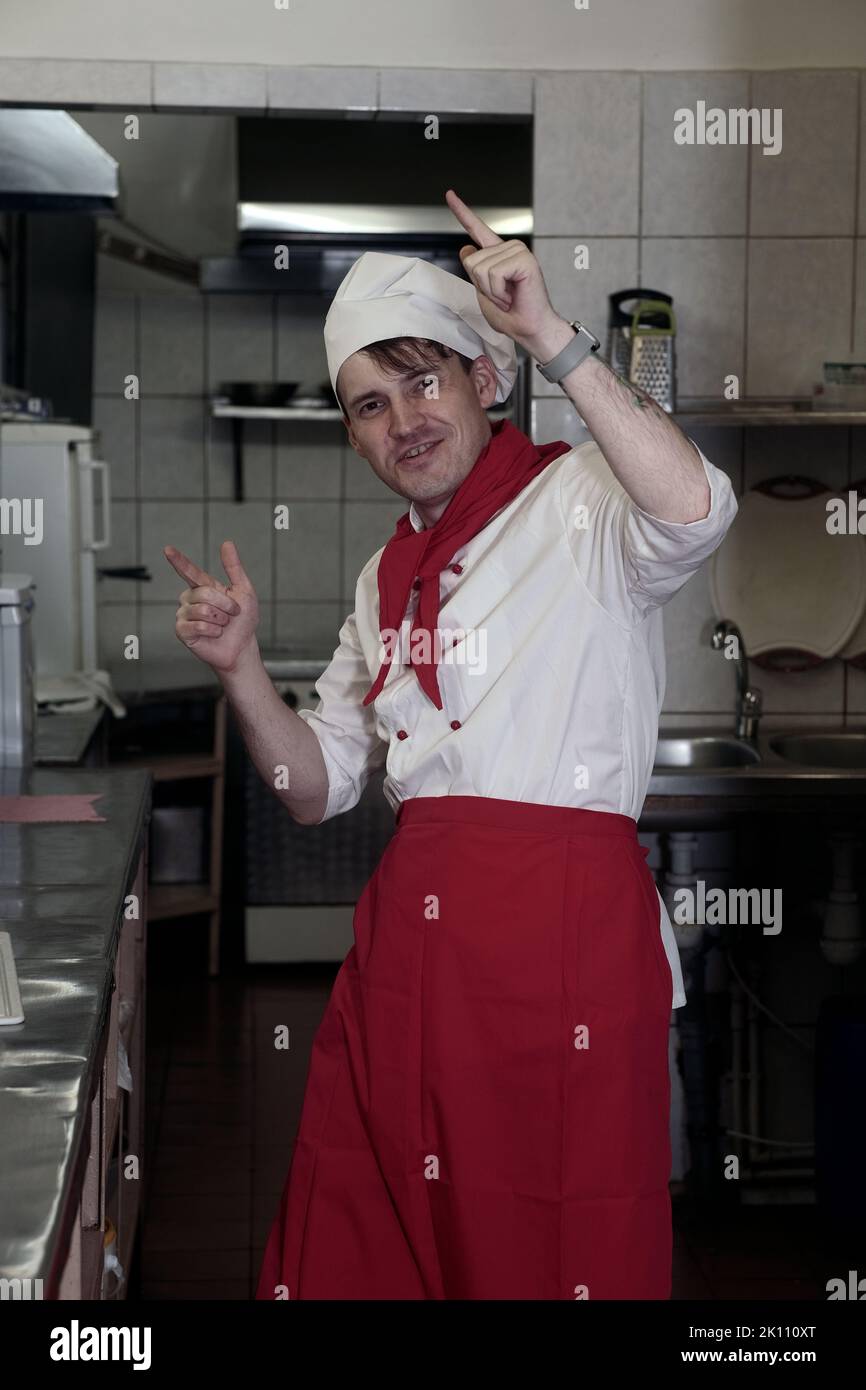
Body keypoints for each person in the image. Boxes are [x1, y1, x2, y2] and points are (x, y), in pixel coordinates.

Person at [164, 188, 737, 1300]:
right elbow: (316, 787)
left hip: (562, 948)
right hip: (411, 960)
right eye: (367, 405)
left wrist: (552, 335)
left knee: (553, 1245)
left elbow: (696, 510)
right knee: (368, 1231)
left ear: (485, 377)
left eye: (421, 380)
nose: (400, 422)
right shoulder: (382, 579)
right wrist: (239, 673)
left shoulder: (584, 499)